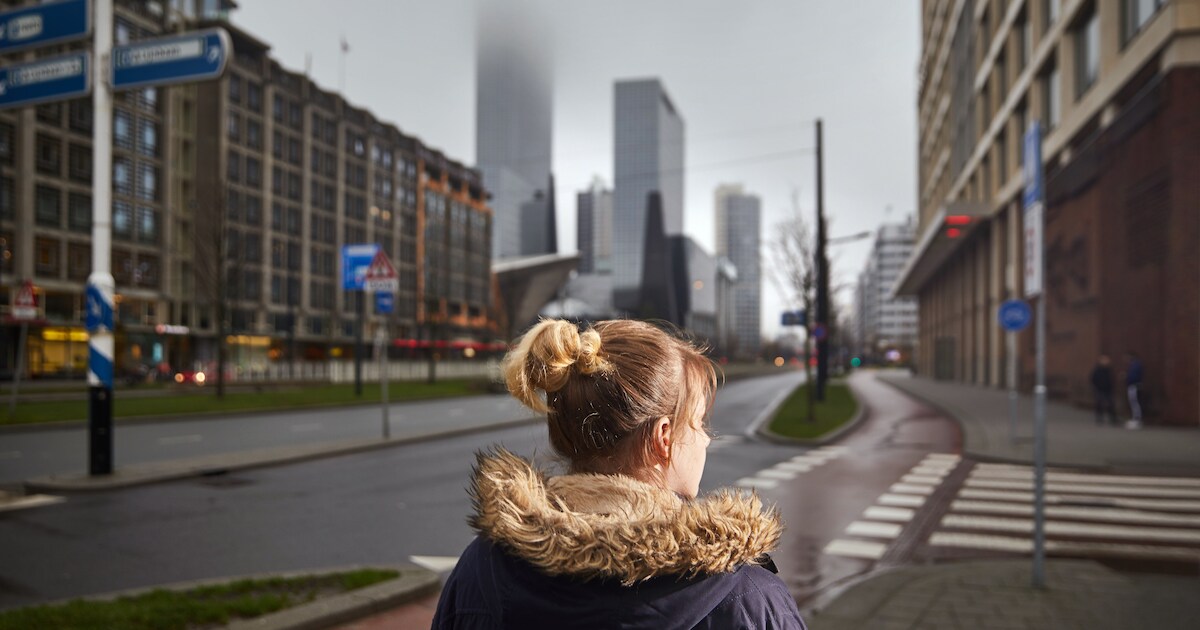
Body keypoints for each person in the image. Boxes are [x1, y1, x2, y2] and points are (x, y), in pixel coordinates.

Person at [432, 319, 806, 629]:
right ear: (663, 437)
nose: (705, 440)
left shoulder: (480, 574)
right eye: (698, 423)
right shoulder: (749, 601)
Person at [1090, 354, 1116, 426]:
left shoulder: (1108, 370)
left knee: (1110, 404)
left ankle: (1113, 418)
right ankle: (1099, 418)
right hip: (1099, 389)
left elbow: (1111, 379)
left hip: (1108, 389)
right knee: (1099, 404)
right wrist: (1096, 387)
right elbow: (1093, 379)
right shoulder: (1097, 370)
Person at [1125, 352, 1144, 429]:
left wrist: (1127, 378)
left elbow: (1133, 377)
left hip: (1134, 386)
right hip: (1134, 385)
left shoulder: (1135, 366)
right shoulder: (1135, 365)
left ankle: (1137, 419)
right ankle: (1136, 418)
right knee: (1134, 402)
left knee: (1135, 402)